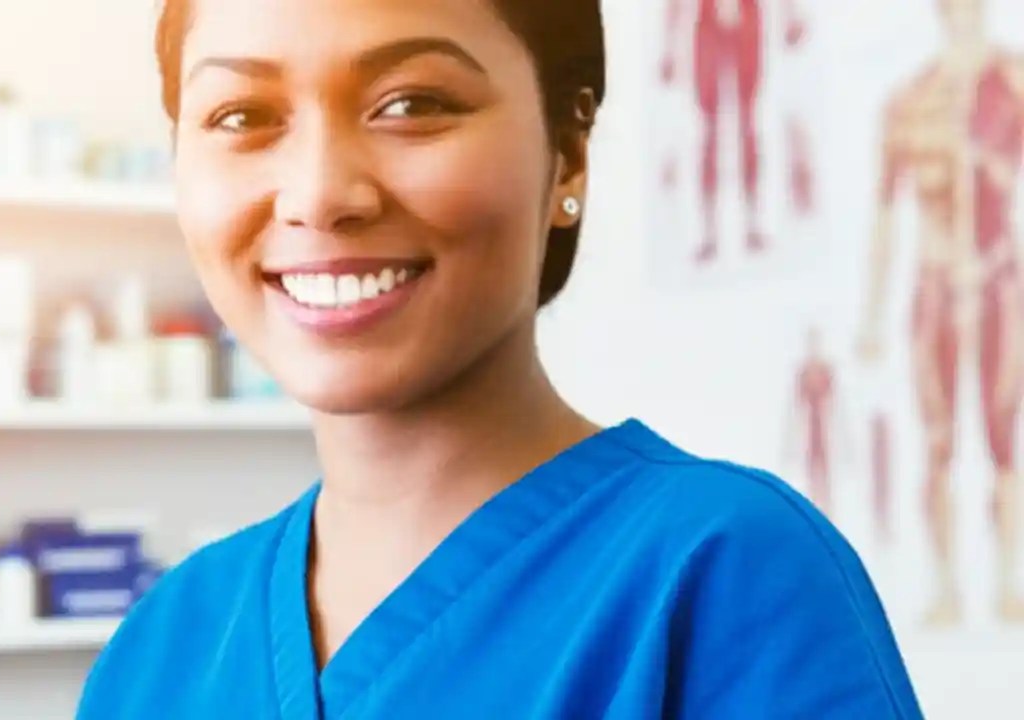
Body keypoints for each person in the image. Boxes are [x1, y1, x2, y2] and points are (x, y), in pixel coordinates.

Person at [79, 0, 922, 717]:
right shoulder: (160, 649)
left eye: (410, 104)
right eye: (240, 117)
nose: (320, 195)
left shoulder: (725, 575)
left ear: (570, 152)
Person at [858, 0, 1024, 627]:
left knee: (1005, 437)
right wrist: (872, 317)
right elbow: (883, 215)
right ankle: (946, 584)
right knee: (938, 443)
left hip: (999, 281)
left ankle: (1010, 579)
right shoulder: (909, 104)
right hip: (933, 288)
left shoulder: (1014, 85)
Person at [660, 0, 807, 263]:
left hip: (745, 17)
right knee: (710, 129)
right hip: (709, 23)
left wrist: (790, 15)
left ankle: (751, 225)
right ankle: (710, 233)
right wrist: (668, 46)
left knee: (746, 123)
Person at [787, 327, 839, 516]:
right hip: (808, 425)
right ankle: (815, 506)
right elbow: (794, 406)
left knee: (825, 468)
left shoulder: (825, 370)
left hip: (824, 425)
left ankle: (827, 507)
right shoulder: (803, 372)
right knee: (811, 466)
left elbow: (837, 403)